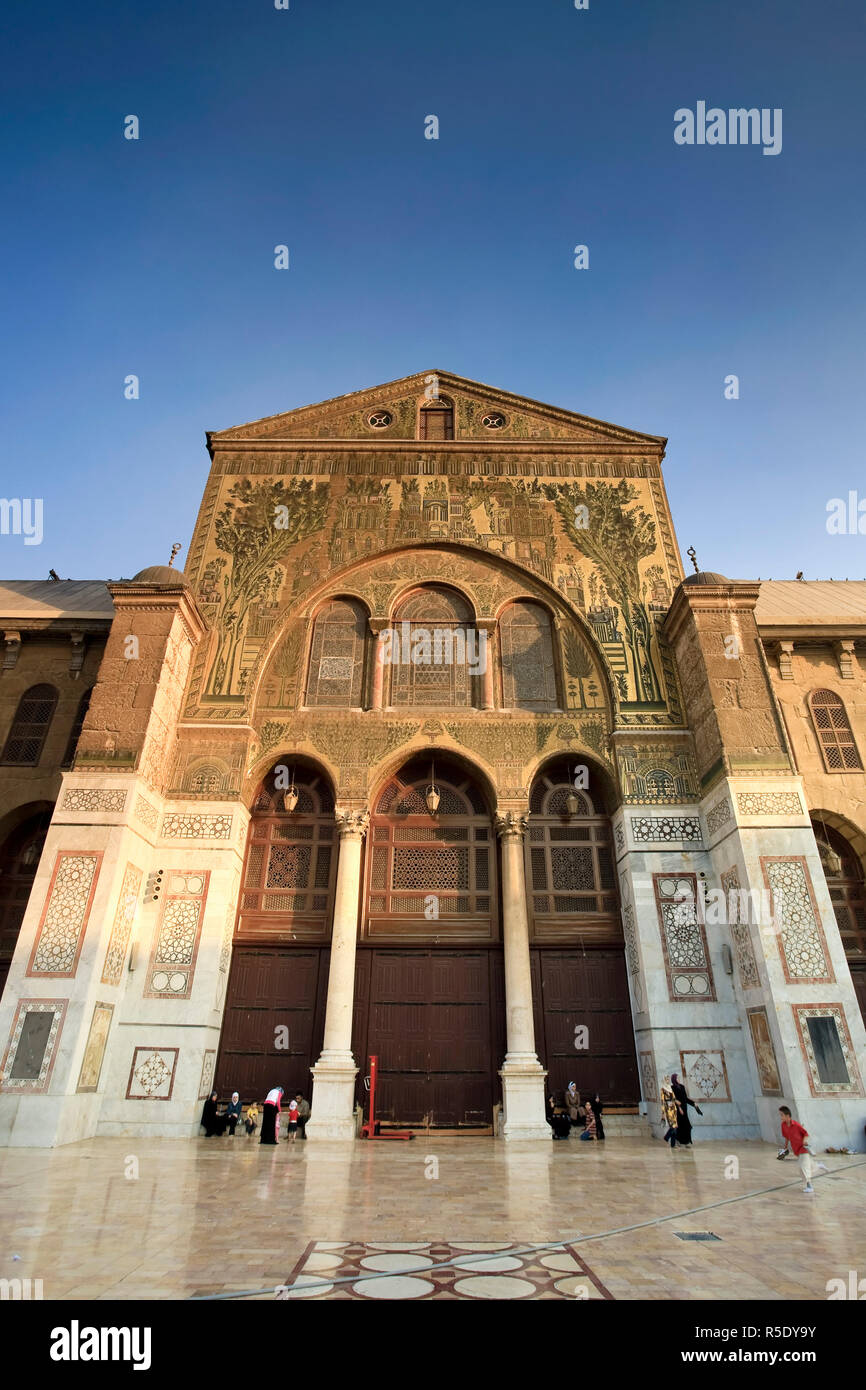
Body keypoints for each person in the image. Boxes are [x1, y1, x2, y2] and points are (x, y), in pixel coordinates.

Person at [779, 1106, 828, 1195]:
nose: (780, 1117)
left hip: (803, 1148)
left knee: (803, 1167)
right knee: (809, 1165)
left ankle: (809, 1186)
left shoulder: (796, 1125)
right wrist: (785, 1148)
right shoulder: (783, 1125)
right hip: (796, 1149)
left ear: (787, 1116)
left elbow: (806, 1134)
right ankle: (819, 1165)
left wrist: (804, 1141)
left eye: (782, 1115)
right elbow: (786, 1137)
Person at [670, 1072, 702, 1147]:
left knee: (686, 1126)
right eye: (677, 1078)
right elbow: (674, 1099)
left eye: (679, 1078)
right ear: (674, 1079)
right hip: (678, 1110)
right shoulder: (672, 1088)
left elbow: (685, 1099)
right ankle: (678, 1141)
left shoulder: (682, 1087)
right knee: (679, 1125)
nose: (679, 1079)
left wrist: (693, 1103)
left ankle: (686, 1141)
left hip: (684, 1109)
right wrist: (679, 1108)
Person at [660, 1081, 679, 1148]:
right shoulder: (662, 1090)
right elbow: (662, 1102)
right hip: (668, 1111)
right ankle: (666, 1137)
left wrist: (676, 1102)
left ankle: (673, 1144)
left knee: (675, 1127)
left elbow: (673, 1098)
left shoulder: (670, 1089)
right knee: (673, 1126)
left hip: (674, 1109)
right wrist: (663, 1113)